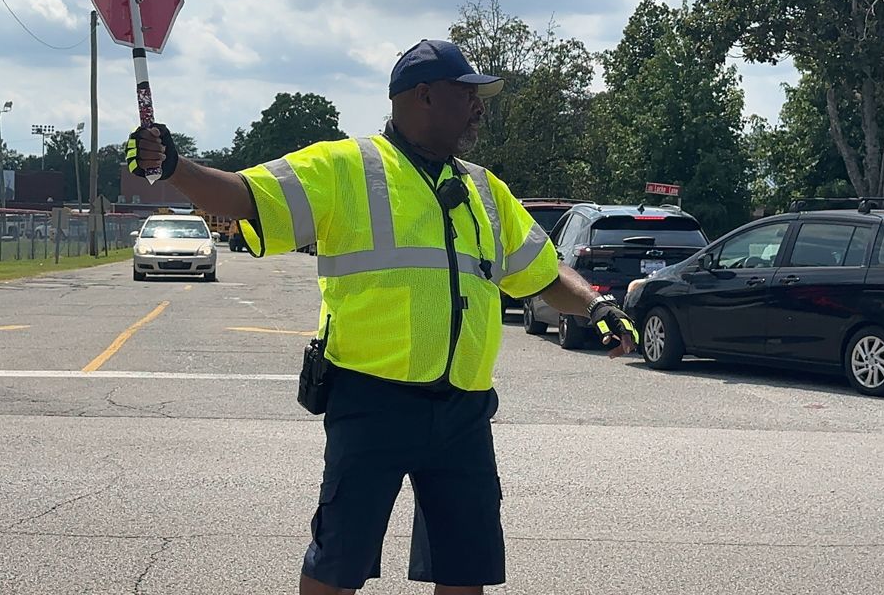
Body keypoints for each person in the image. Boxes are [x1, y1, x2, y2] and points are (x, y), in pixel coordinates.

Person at [125, 39, 638, 595]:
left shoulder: (484, 189)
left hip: (464, 408)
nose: (478, 107)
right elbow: (246, 195)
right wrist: (174, 167)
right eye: (467, 94)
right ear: (423, 96)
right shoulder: (347, 167)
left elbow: (539, 272)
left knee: (464, 567)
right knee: (338, 561)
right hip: (372, 401)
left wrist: (595, 305)